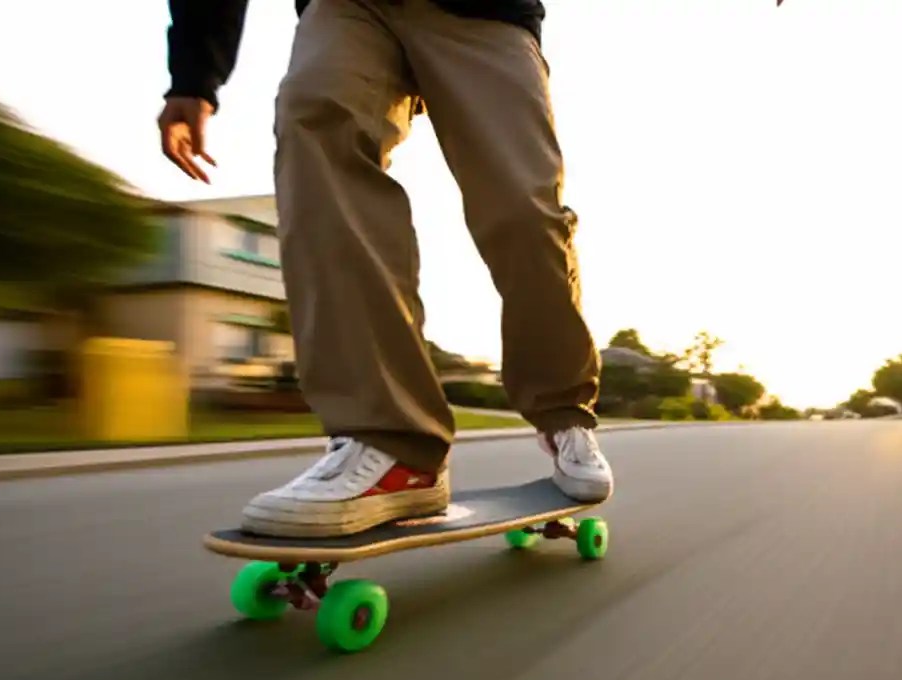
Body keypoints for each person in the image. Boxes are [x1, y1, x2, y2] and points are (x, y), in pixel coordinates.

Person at [158, 0, 613, 538]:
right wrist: (193, 73)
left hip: (486, 11)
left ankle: (564, 409)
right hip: (347, 7)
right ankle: (392, 444)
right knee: (317, 138)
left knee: (522, 207)